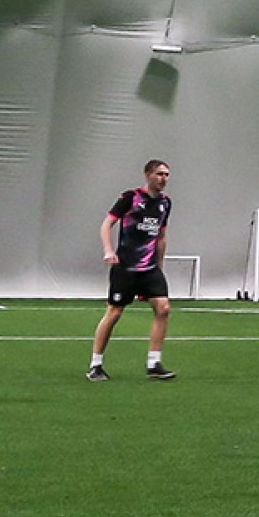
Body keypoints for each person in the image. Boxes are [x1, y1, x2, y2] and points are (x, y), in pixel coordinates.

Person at [88, 159, 177, 380]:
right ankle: (95, 364)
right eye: (159, 174)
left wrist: (160, 265)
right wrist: (109, 250)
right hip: (125, 267)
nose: (163, 179)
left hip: (150, 268)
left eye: (166, 175)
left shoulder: (165, 203)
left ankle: (154, 363)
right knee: (115, 312)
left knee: (163, 308)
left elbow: (161, 236)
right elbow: (106, 223)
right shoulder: (131, 198)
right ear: (148, 175)